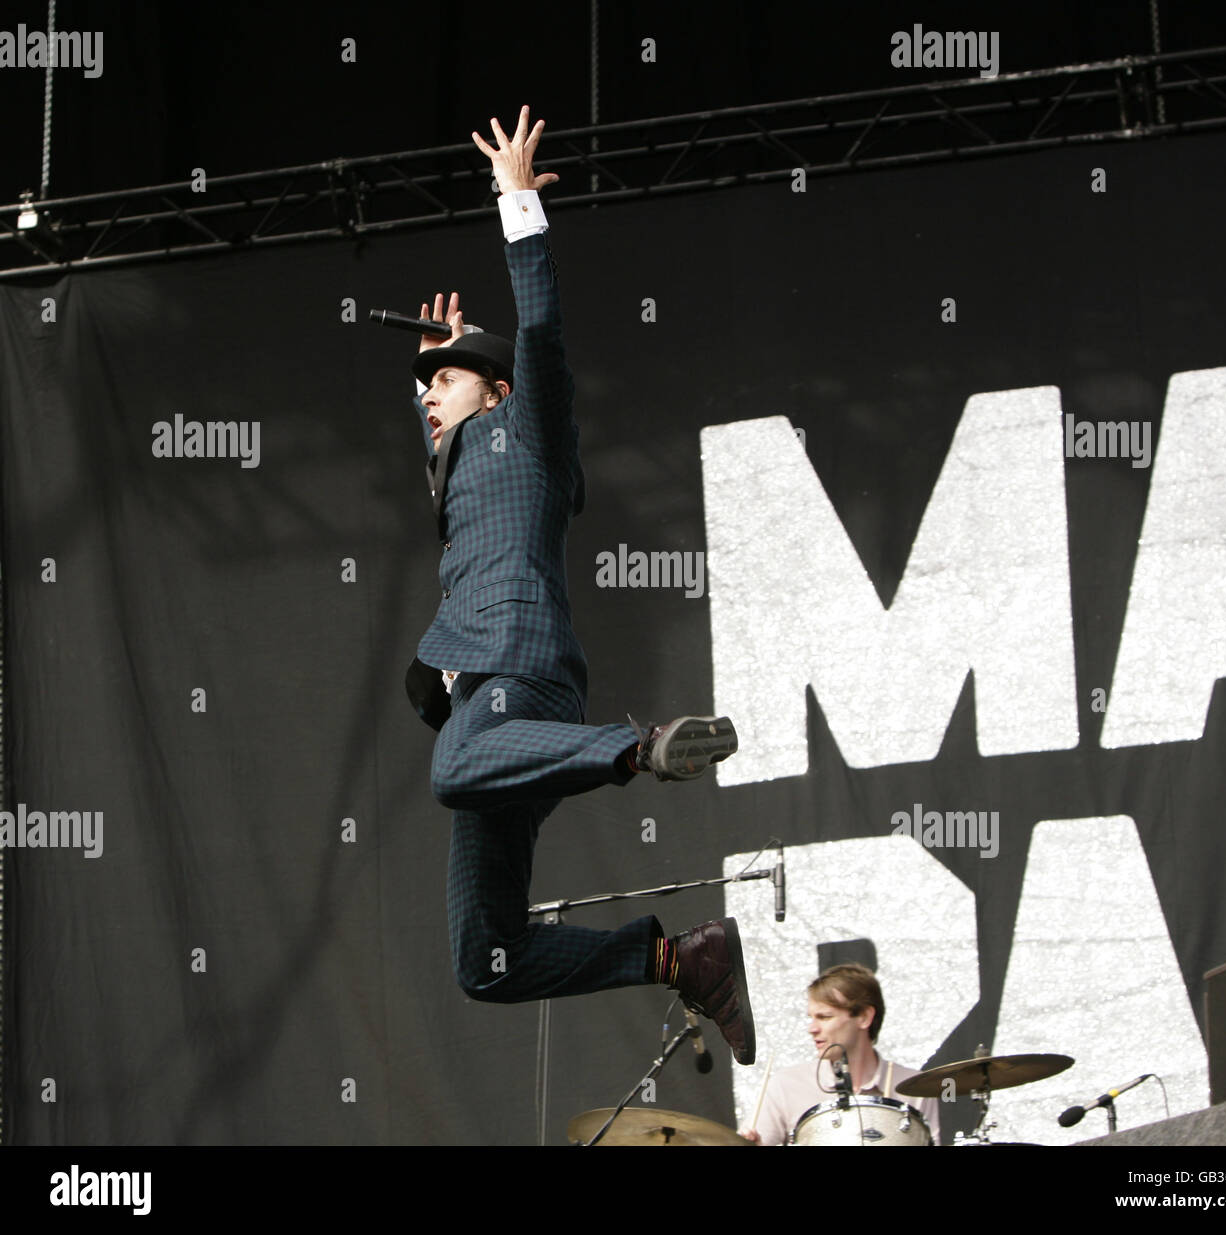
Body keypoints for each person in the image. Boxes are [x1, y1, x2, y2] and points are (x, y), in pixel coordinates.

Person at [403, 105, 755, 1066]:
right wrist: (443, 354)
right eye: (423, 385)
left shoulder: (534, 435)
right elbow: (442, 443)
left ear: (500, 390)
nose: (428, 393)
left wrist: (517, 204)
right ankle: (685, 957)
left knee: (449, 771)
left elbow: (542, 331)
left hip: (520, 675)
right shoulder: (466, 455)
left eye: (444, 380)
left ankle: (642, 749)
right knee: (489, 957)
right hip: (490, 708)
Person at [745, 964, 942, 1143]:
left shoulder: (915, 1088)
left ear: (864, 1017)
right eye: (811, 1017)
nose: (812, 1028)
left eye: (825, 1017)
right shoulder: (786, 1085)